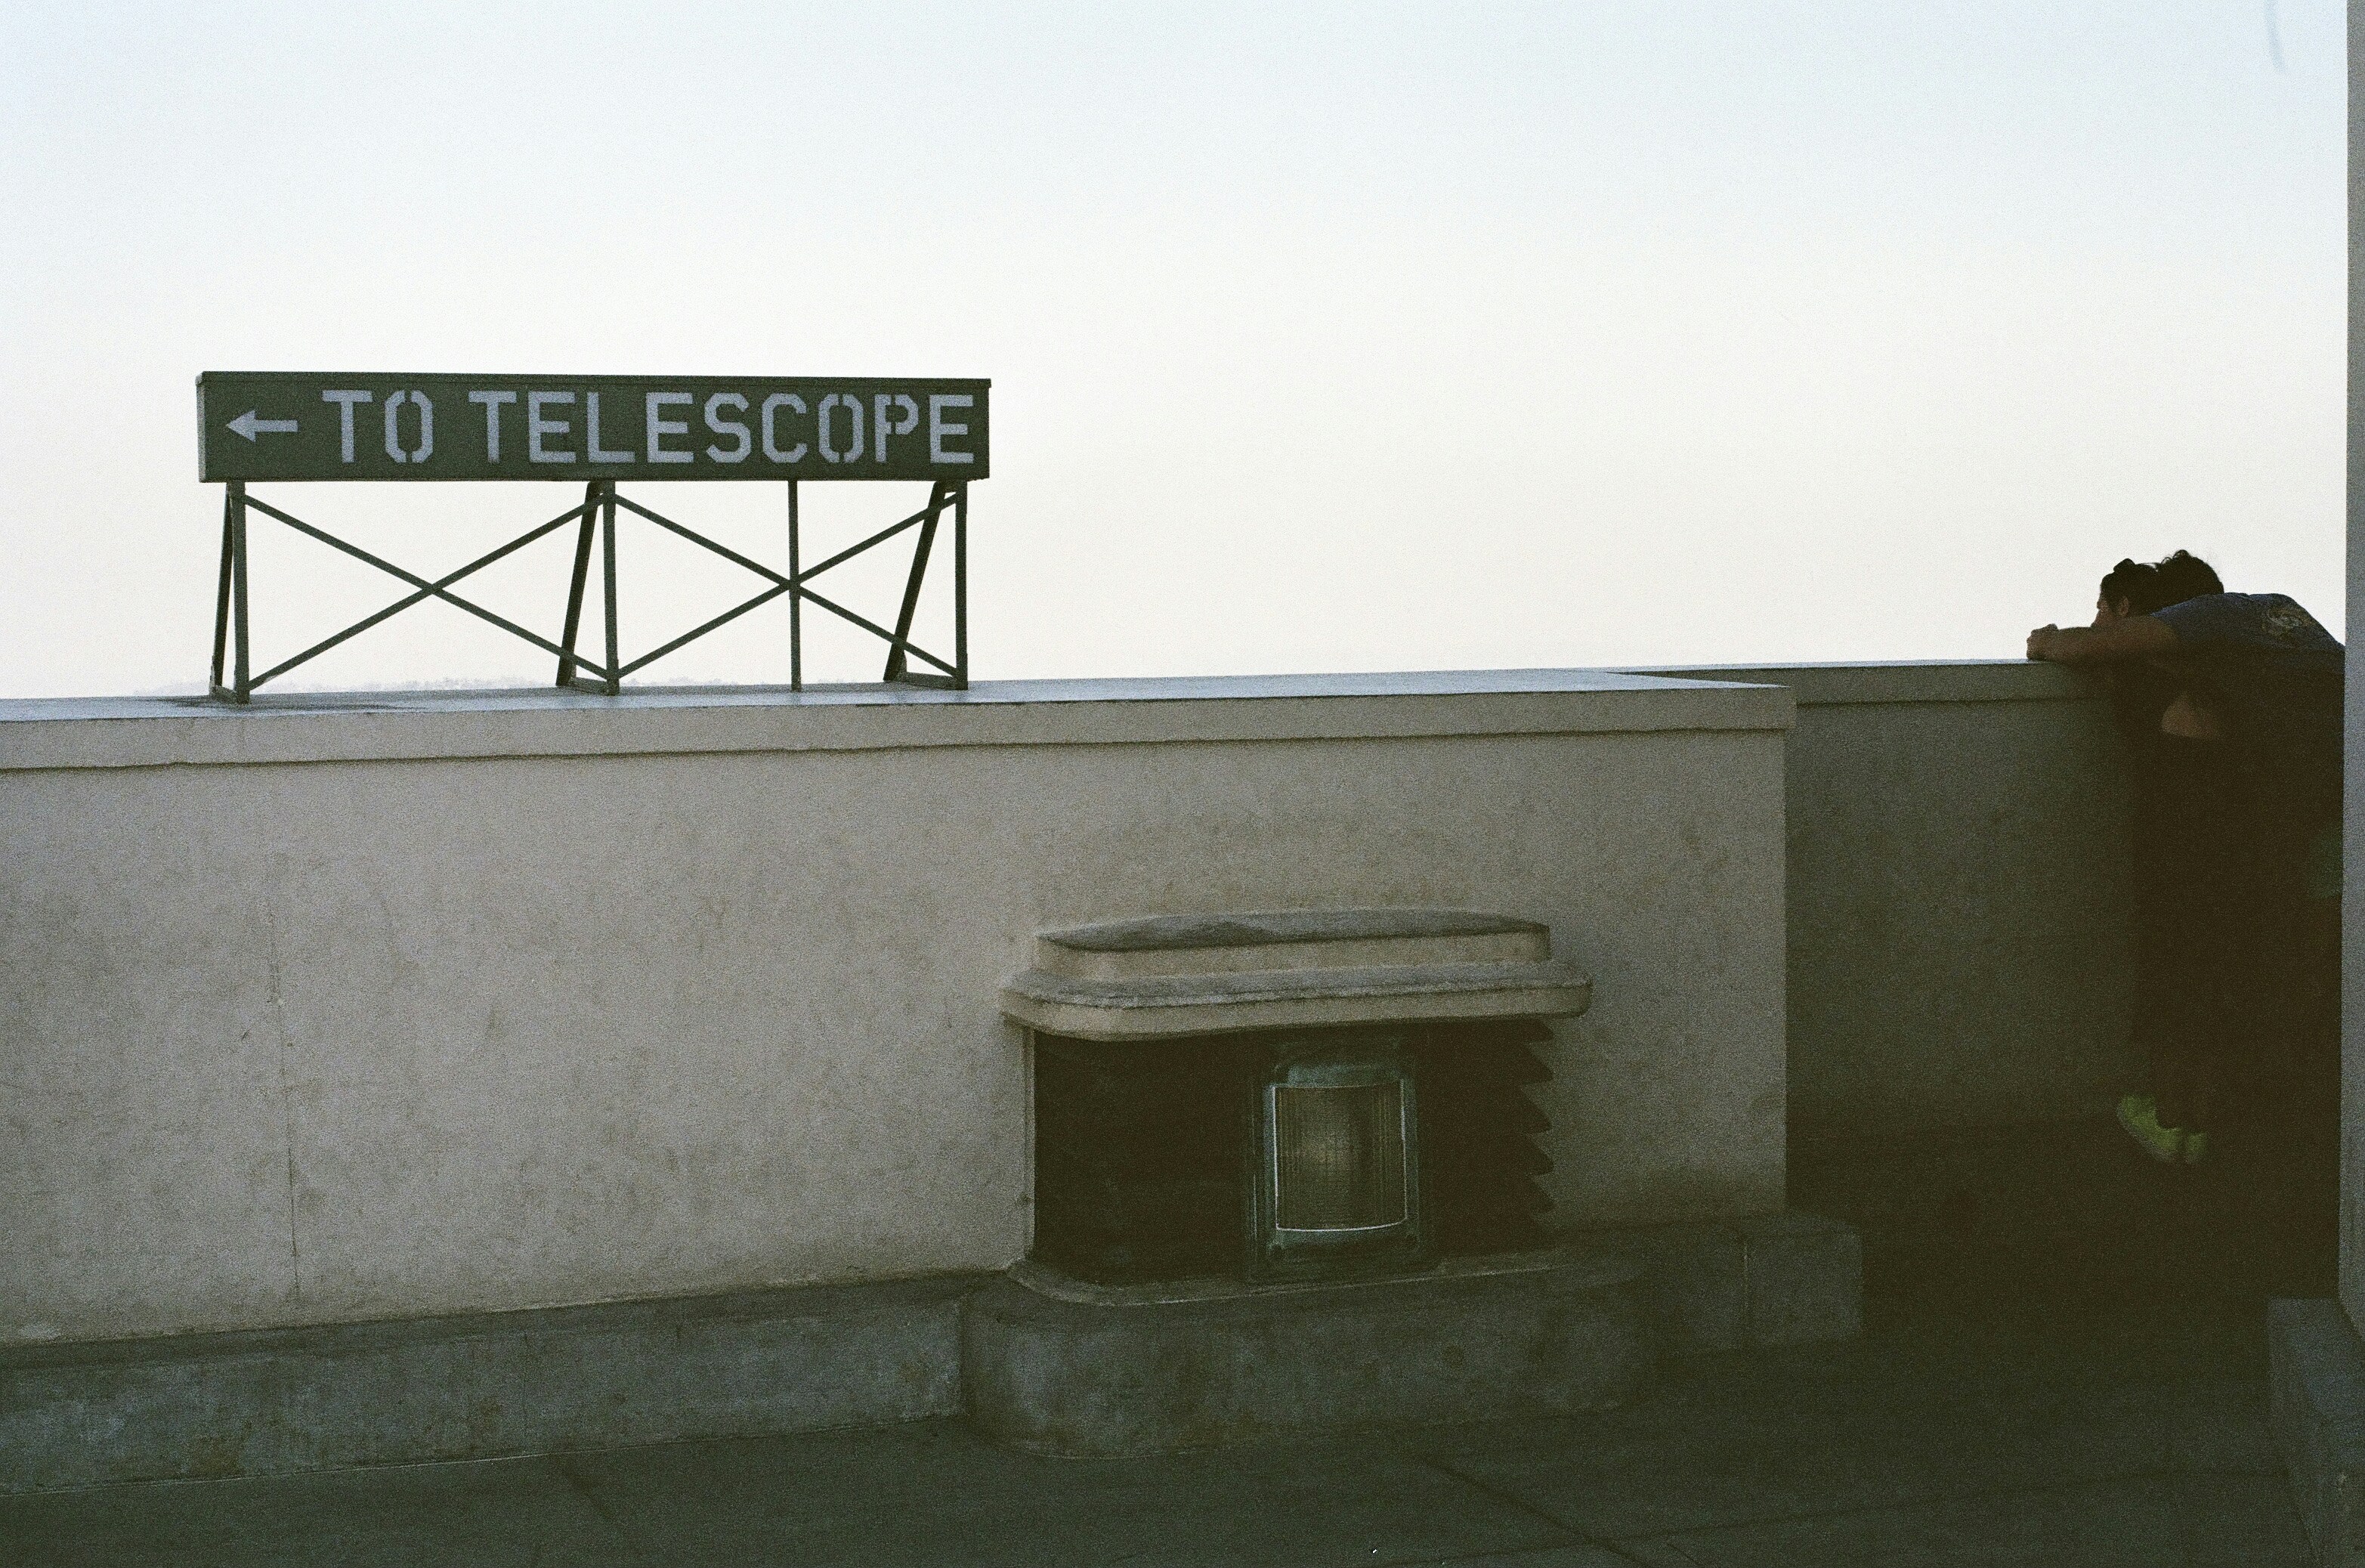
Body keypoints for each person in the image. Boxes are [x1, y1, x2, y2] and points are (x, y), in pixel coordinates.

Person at [2027, 552, 2342, 1166]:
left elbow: (2100, 649)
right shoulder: (2266, 646)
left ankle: (2177, 1123)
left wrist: (2048, 641)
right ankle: (2225, 1123)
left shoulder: (2191, 658)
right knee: (2269, 979)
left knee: (2185, 977)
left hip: (2214, 852)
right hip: (2302, 826)